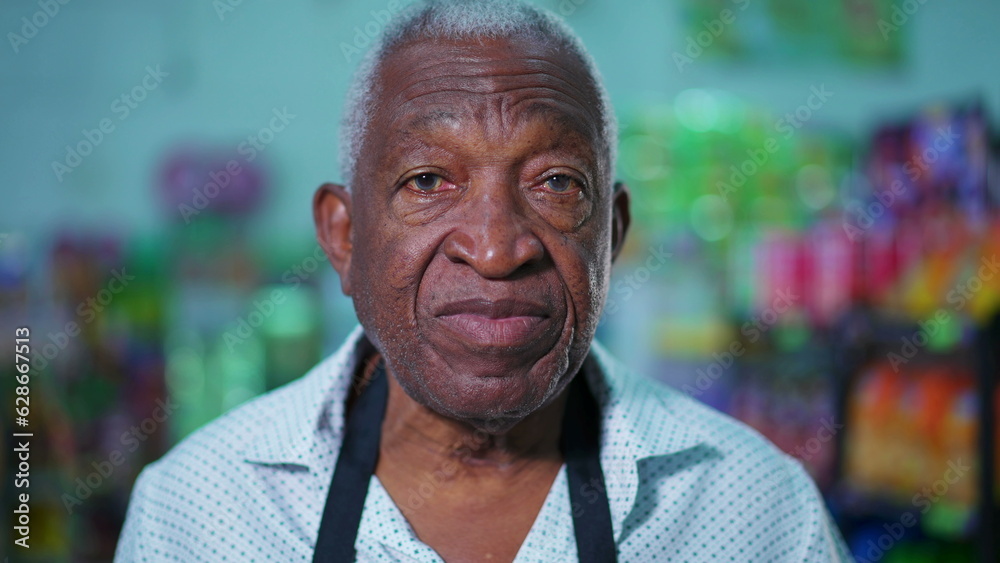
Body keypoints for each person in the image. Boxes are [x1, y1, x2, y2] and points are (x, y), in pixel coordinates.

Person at [115, 0, 851, 560]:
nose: (498, 248)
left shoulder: (759, 510)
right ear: (344, 237)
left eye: (556, 182)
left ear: (613, 235)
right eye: (429, 179)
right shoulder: (195, 513)